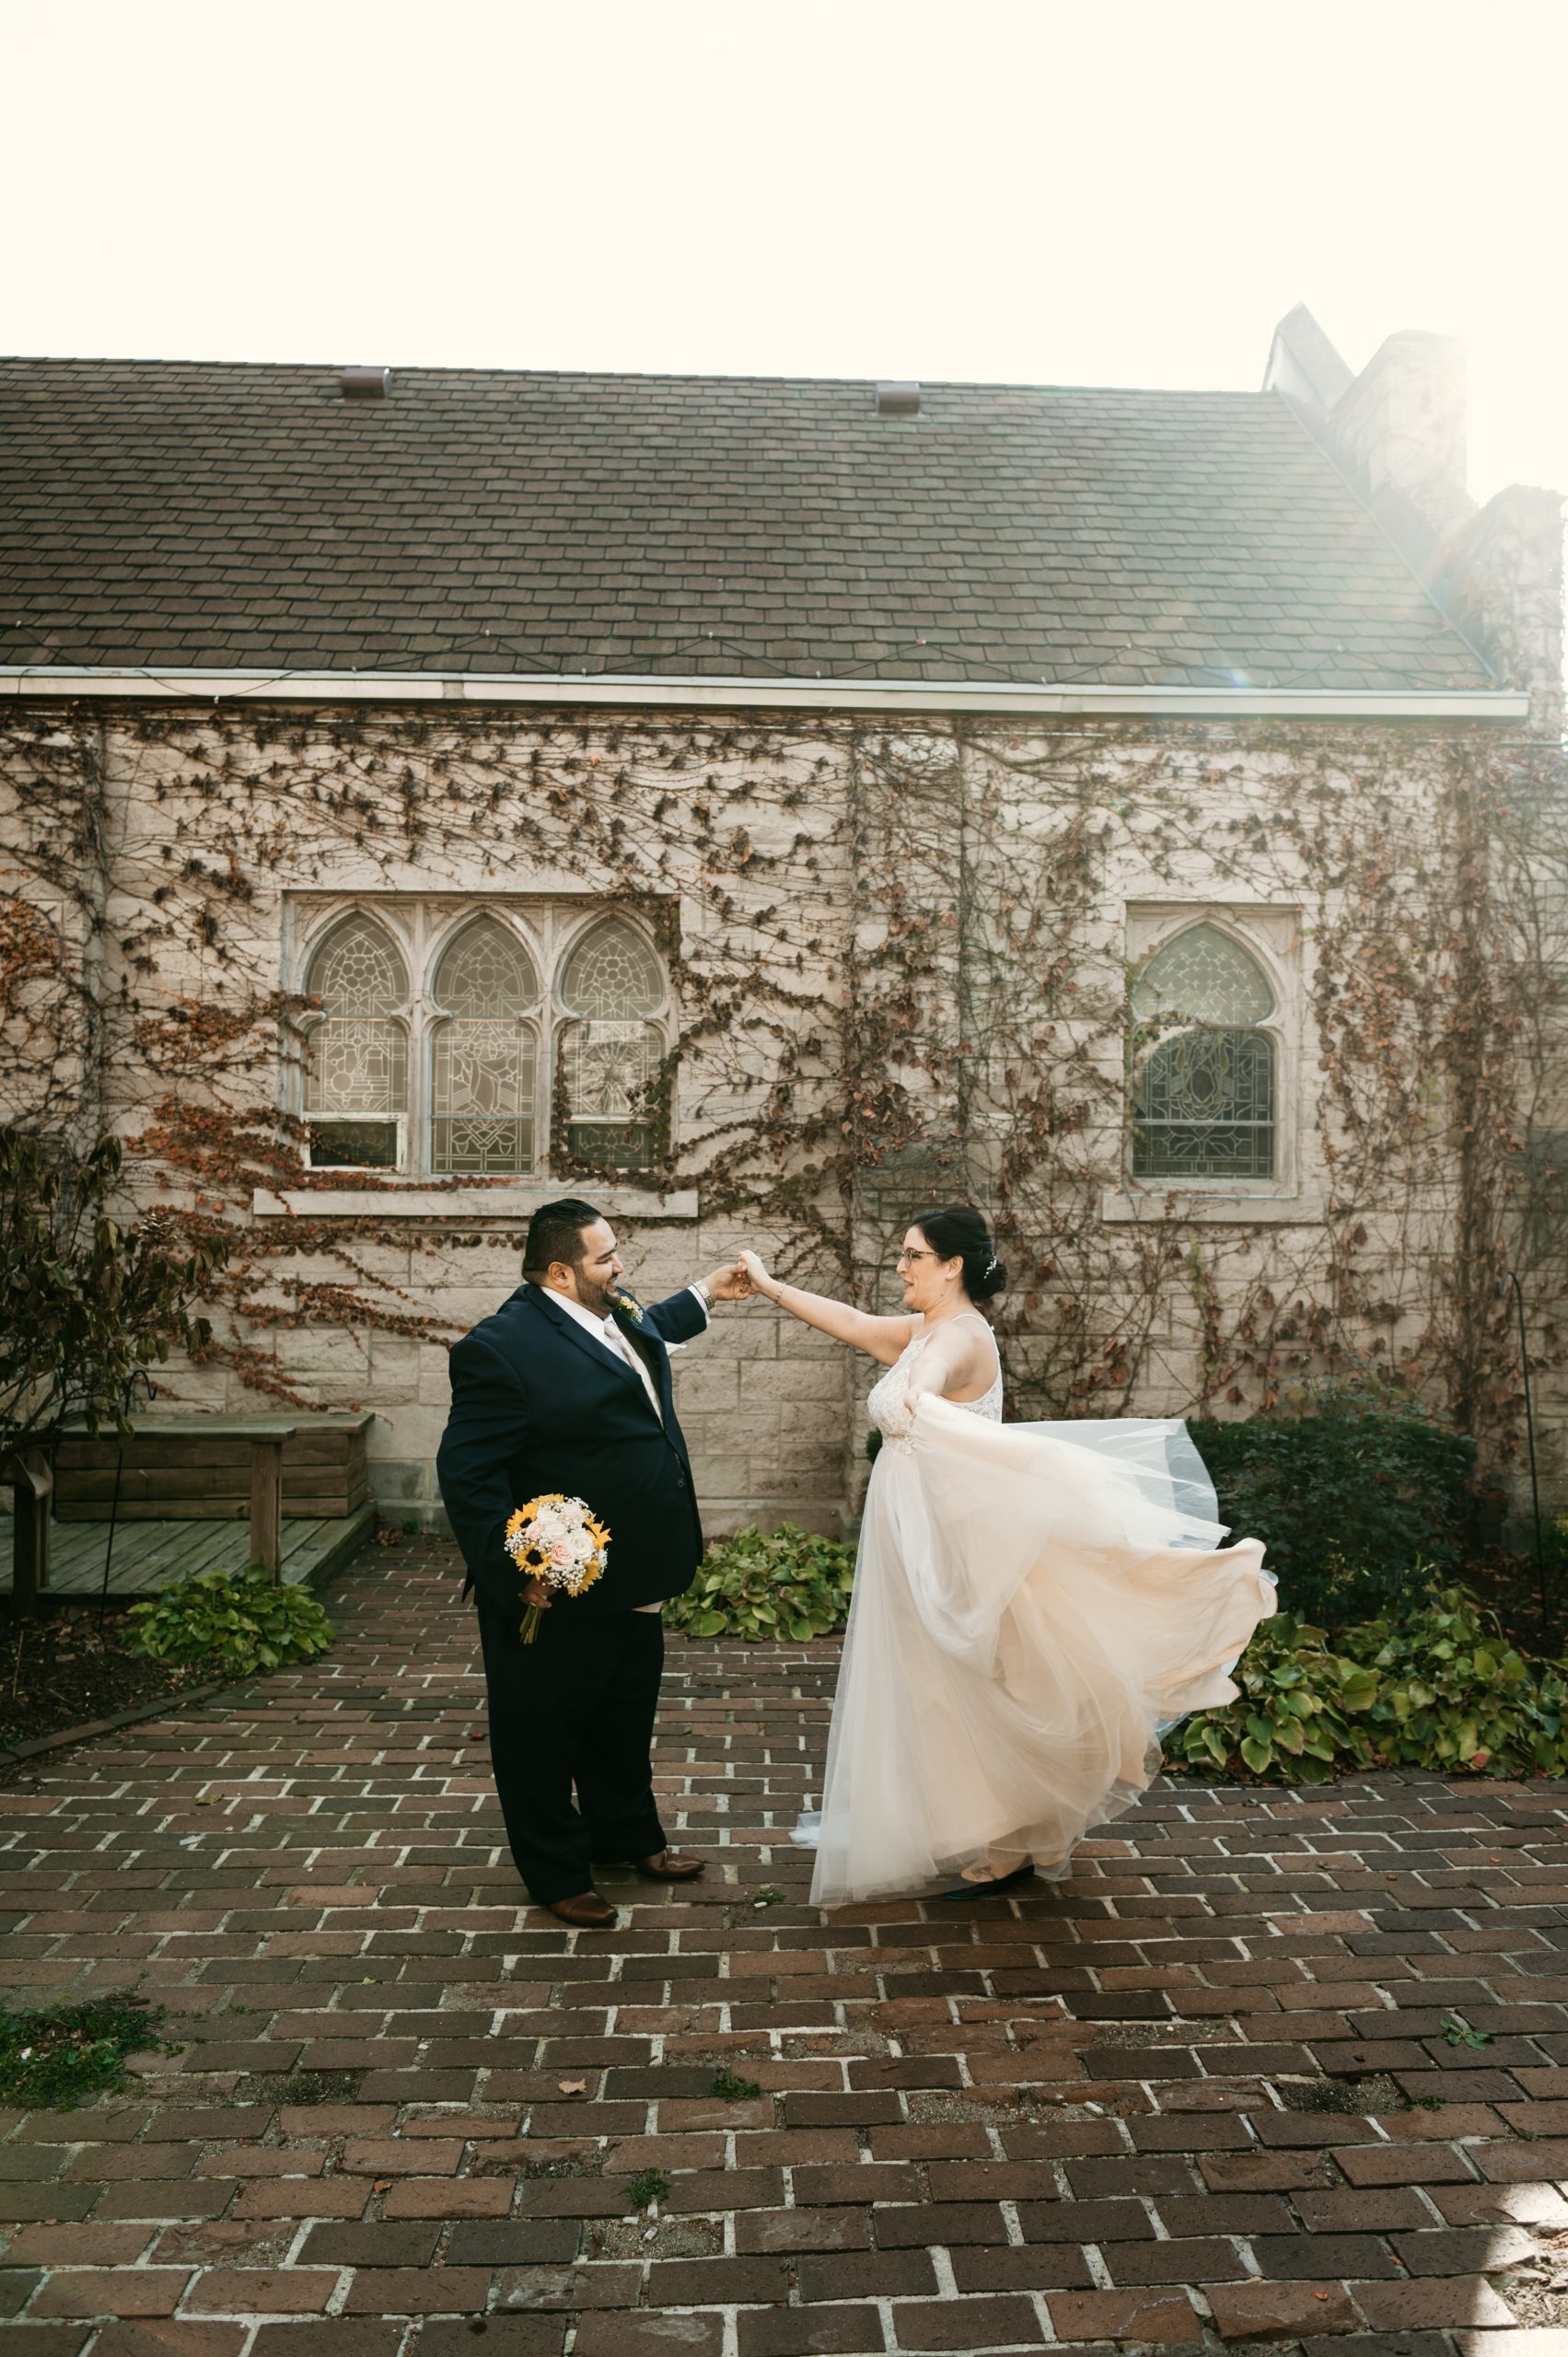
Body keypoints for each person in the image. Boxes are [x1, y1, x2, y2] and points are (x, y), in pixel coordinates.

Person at [739, 1206, 1275, 1909]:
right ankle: (1000, 1829)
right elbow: (854, 1324)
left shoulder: (955, 1340)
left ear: (950, 1265)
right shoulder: (929, 1328)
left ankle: (1014, 1840)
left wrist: (916, 1398)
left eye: (911, 1255)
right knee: (947, 1683)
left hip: (959, 1540)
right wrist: (769, 1284)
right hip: (920, 1533)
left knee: (982, 1681)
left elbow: (922, 1386)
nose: (899, 1267)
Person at [437, 1198, 751, 1929]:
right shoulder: (499, 1348)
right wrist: (517, 1571)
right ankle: (555, 1871)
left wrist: (705, 1293)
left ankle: (627, 1836)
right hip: (555, 1582)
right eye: (605, 1258)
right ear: (558, 1271)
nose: (620, 1267)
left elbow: (648, 1334)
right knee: (543, 1729)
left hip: (635, 1568)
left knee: (622, 1713)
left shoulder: (614, 1312)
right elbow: (467, 1474)